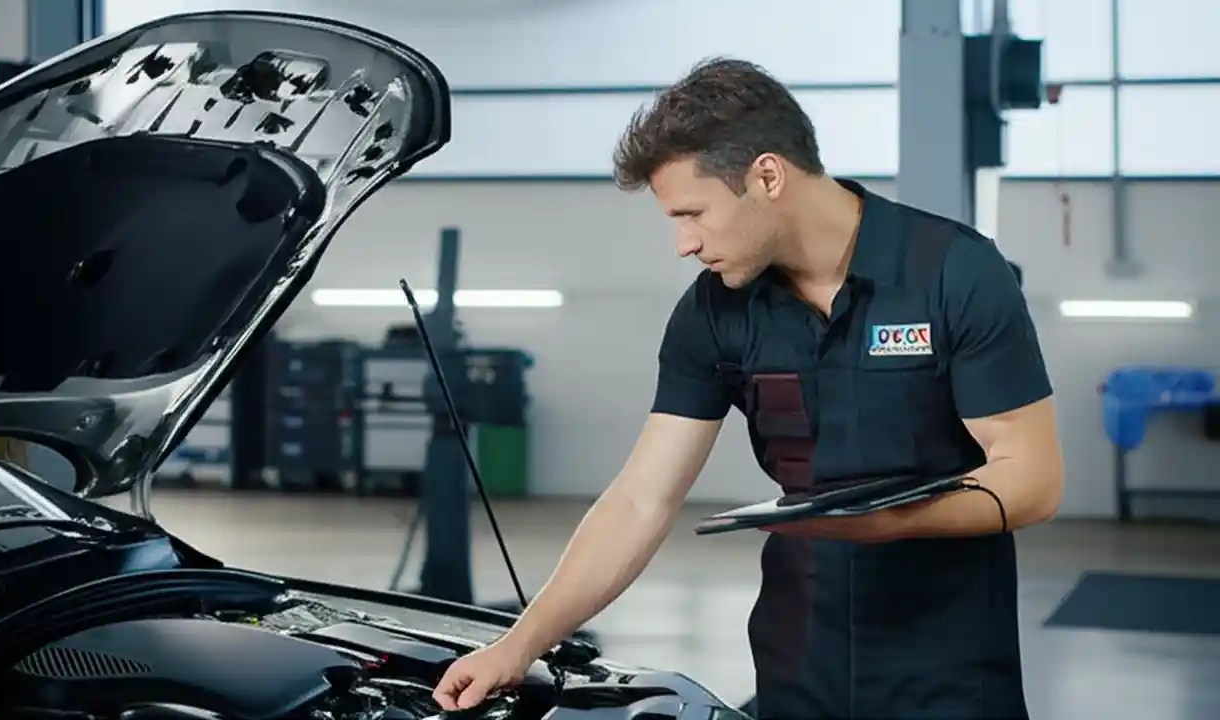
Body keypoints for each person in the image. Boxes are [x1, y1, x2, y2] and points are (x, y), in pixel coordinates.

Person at [432, 58, 1064, 719]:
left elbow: (1032, 479)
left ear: (767, 176)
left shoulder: (953, 271)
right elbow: (641, 499)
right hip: (799, 665)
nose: (683, 243)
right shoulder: (714, 311)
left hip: (950, 669)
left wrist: (887, 523)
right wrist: (518, 646)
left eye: (693, 213)